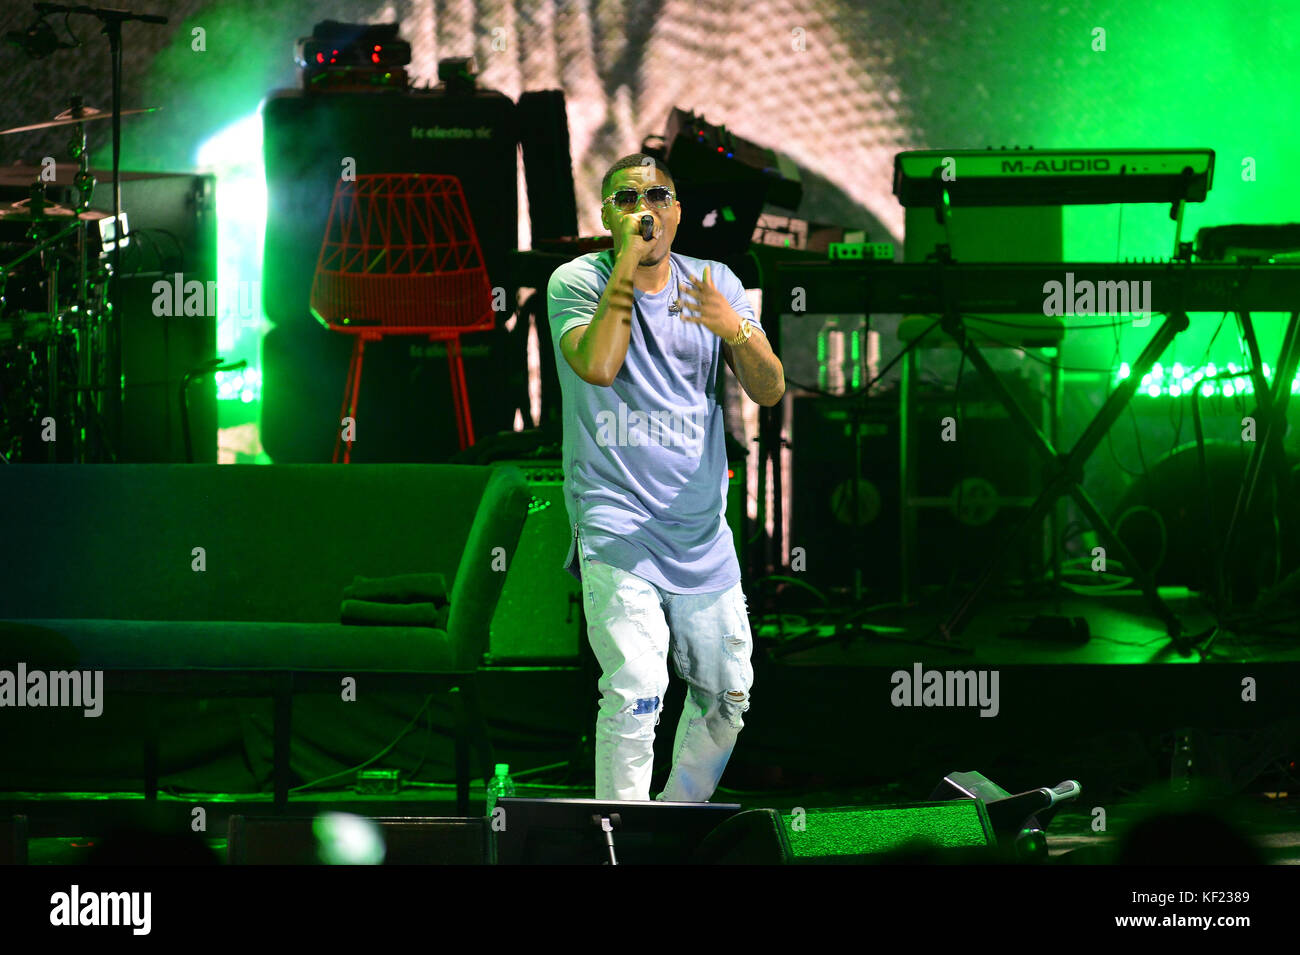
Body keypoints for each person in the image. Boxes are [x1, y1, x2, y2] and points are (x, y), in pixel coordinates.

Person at [547, 152, 785, 801]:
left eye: (657, 196)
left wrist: (736, 329)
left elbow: (769, 389)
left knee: (727, 693)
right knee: (636, 690)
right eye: (627, 199)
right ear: (605, 214)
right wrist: (627, 258)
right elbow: (598, 364)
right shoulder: (575, 281)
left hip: (699, 530)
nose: (644, 209)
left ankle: (672, 825)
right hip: (616, 519)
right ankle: (619, 843)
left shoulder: (715, 282)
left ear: (677, 211)